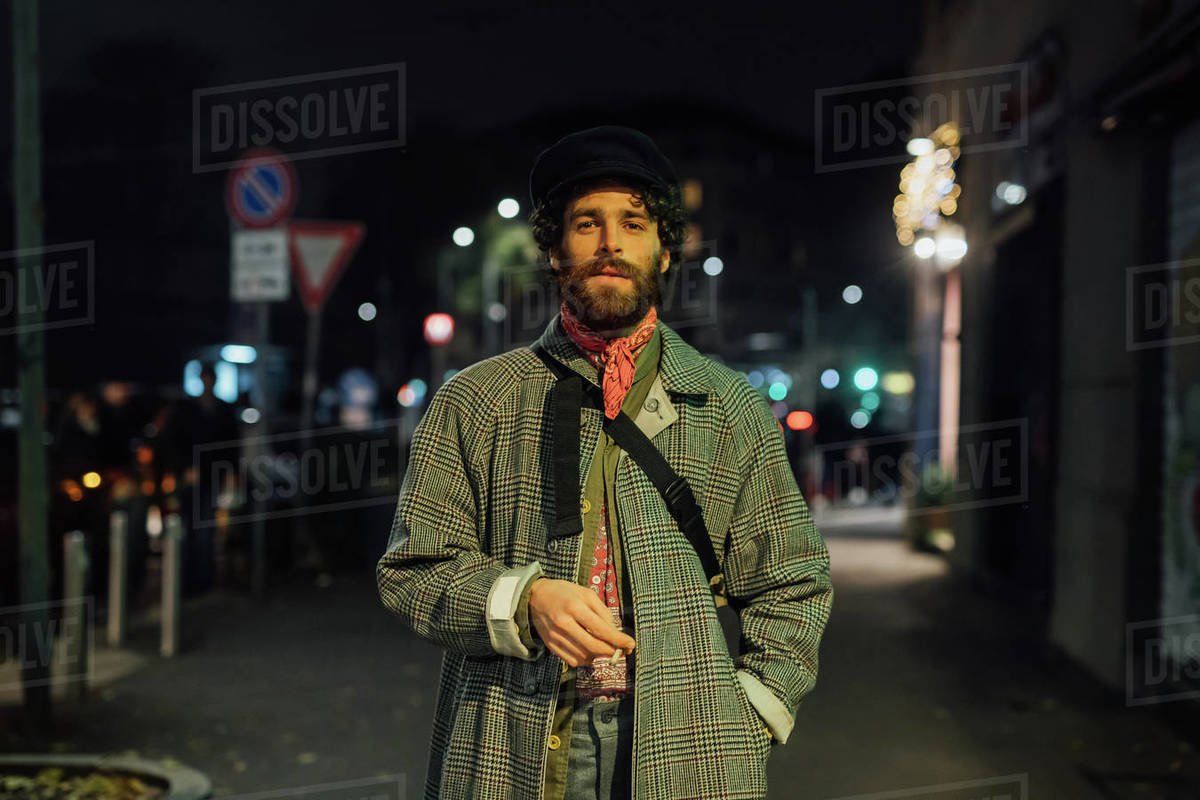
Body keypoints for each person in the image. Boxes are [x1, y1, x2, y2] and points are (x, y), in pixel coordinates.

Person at [377, 125, 833, 800]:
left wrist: (753, 711)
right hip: (512, 743)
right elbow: (413, 571)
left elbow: (792, 581)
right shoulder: (475, 402)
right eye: (587, 223)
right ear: (555, 251)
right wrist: (523, 600)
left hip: (689, 752)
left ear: (666, 249)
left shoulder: (727, 405)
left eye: (634, 223)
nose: (612, 244)